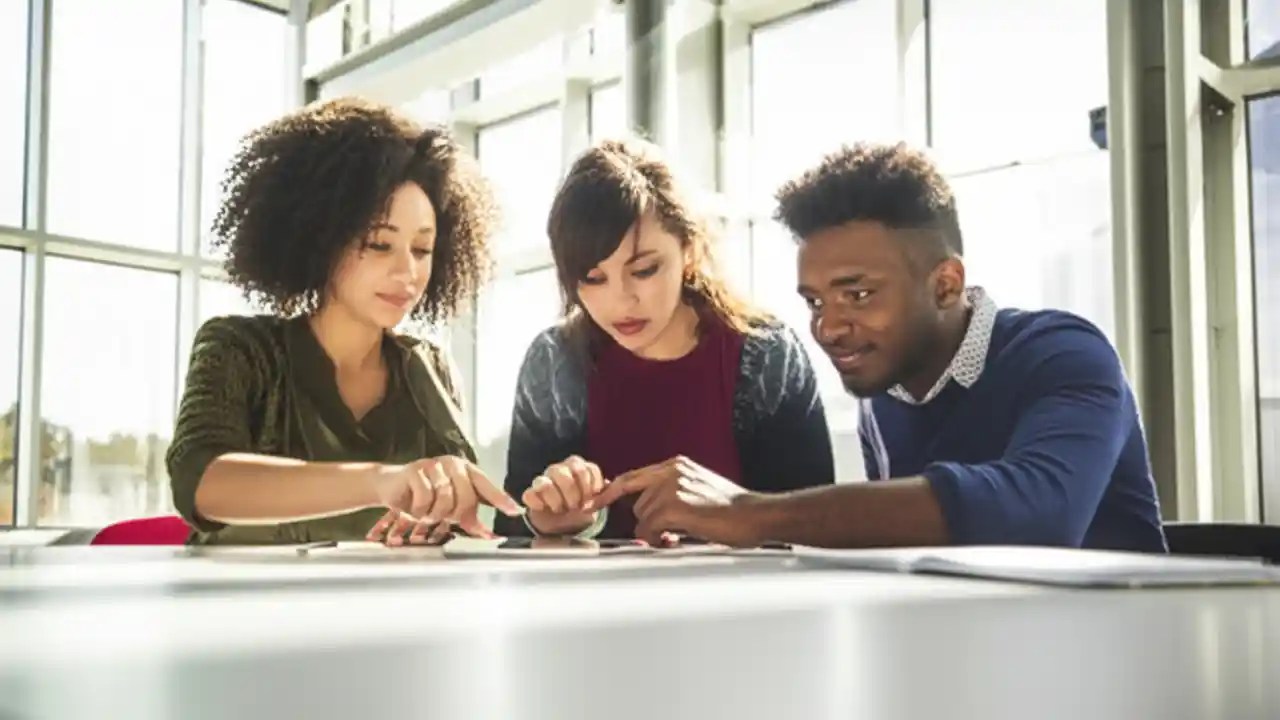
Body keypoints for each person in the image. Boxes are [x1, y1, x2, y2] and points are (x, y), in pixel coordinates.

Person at [590, 142, 1168, 552]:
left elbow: (1039, 514)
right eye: (815, 302)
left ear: (946, 284)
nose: (828, 328)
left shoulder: (1065, 354)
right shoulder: (884, 393)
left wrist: (745, 512)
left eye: (859, 295)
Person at [166, 97, 522, 546]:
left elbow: (450, 516)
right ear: (323, 239)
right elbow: (201, 483)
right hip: (238, 593)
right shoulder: (239, 347)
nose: (408, 271)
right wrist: (380, 481)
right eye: (379, 244)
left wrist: (440, 515)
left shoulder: (429, 369)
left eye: (422, 250)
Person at [496, 138, 834, 540]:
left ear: (688, 249)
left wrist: (727, 515)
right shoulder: (555, 362)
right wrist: (546, 520)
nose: (622, 300)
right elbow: (510, 527)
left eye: (644, 270)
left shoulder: (765, 355)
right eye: (593, 278)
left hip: (738, 581)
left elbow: (814, 524)